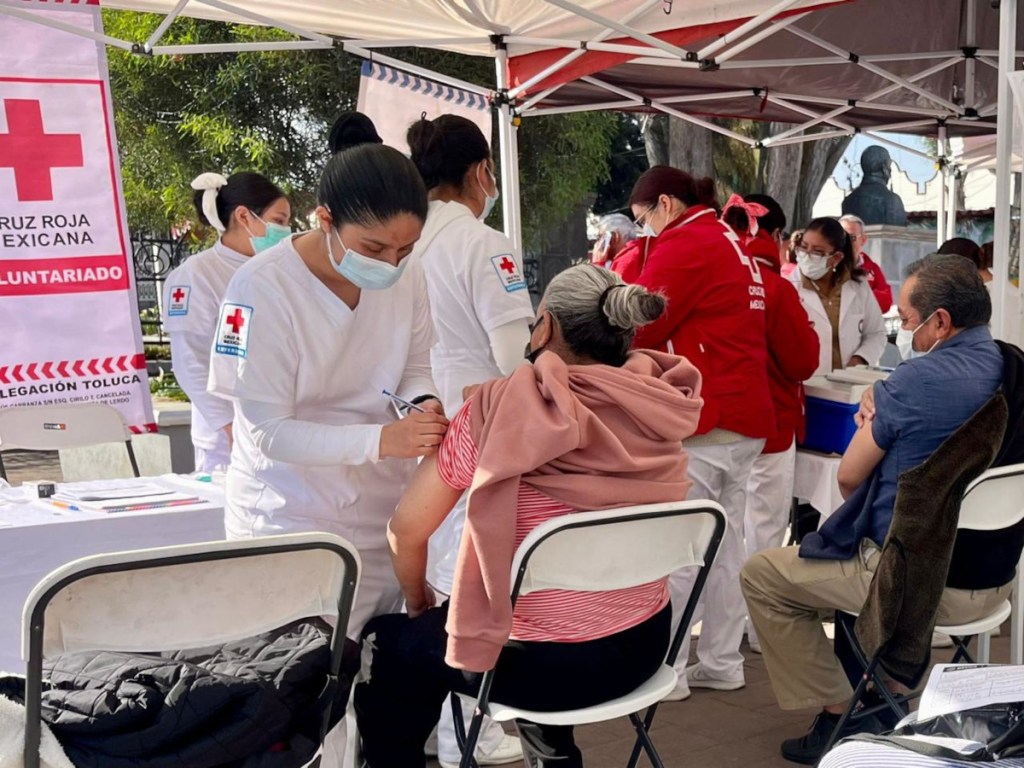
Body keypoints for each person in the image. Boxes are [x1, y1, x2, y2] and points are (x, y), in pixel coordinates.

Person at [354, 264, 704, 768]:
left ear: (544, 328)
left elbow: (406, 531)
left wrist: (418, 605)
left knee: (388, 646)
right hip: (643, 648)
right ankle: (555, 755)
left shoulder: (496, 412)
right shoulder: (659, 406)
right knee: (539, 614)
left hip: (541, 672)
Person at [741, 254, 1018, 765]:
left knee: (763, 575)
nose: (904, 333)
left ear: (940, 322)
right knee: (848, 554)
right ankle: (880, 685)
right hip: (995, 578)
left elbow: (849, 478)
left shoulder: (915, 382)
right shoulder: (1012, 366)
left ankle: (842, 712)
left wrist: (881, 404)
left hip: (913, 584)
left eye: (908, 322)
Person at [405, 113, 532, 768]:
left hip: (425, 433)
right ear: (482, 172)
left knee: (436, 581)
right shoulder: (487, 246)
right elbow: (516, 361)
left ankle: (441, 727)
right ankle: (471, 736)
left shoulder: (400, 245)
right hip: (486, 439)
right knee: (475, 589)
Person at [628, 166, 773, 697]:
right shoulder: (725, 239)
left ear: (665, 204)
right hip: (742, 416)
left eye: (642, 218)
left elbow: (640, 321)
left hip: (708, 418)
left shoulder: (686, 243)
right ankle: (720, 661)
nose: (642, 229)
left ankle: (668, 671)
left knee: (682, 548)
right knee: (725, 545)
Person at [723, 195, 820, 654]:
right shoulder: (775, 288)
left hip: (712, 426)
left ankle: (716, 643)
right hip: (772, 422)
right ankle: (756, 625)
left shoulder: (713, 274)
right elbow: (802, 359)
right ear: (777, 236)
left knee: (719, 536)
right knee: (762, 531)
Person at [162, 171, 290, 471]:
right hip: (226, 442)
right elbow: (191, 361)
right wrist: (230, 427)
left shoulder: (280, 270)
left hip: (282, 429)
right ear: (244, 216)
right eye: (280, 221)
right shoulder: (196, 276)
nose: (286, 231)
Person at [789, 217, 887, 375]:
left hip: (850, 384)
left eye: (817, 252)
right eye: (803, 247)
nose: (806, 256)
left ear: (836, 258)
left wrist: (860, 359)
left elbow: (876, 333)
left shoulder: (858, 285)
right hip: (806, 384)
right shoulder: (788, 286)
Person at [839, 214, 893, 312]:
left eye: (852, 238)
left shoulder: (872, 268)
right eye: (842, 237)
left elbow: (885, 303)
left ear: (863, 240)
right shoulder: (829, 265)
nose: (846, 243)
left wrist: (859, 296)